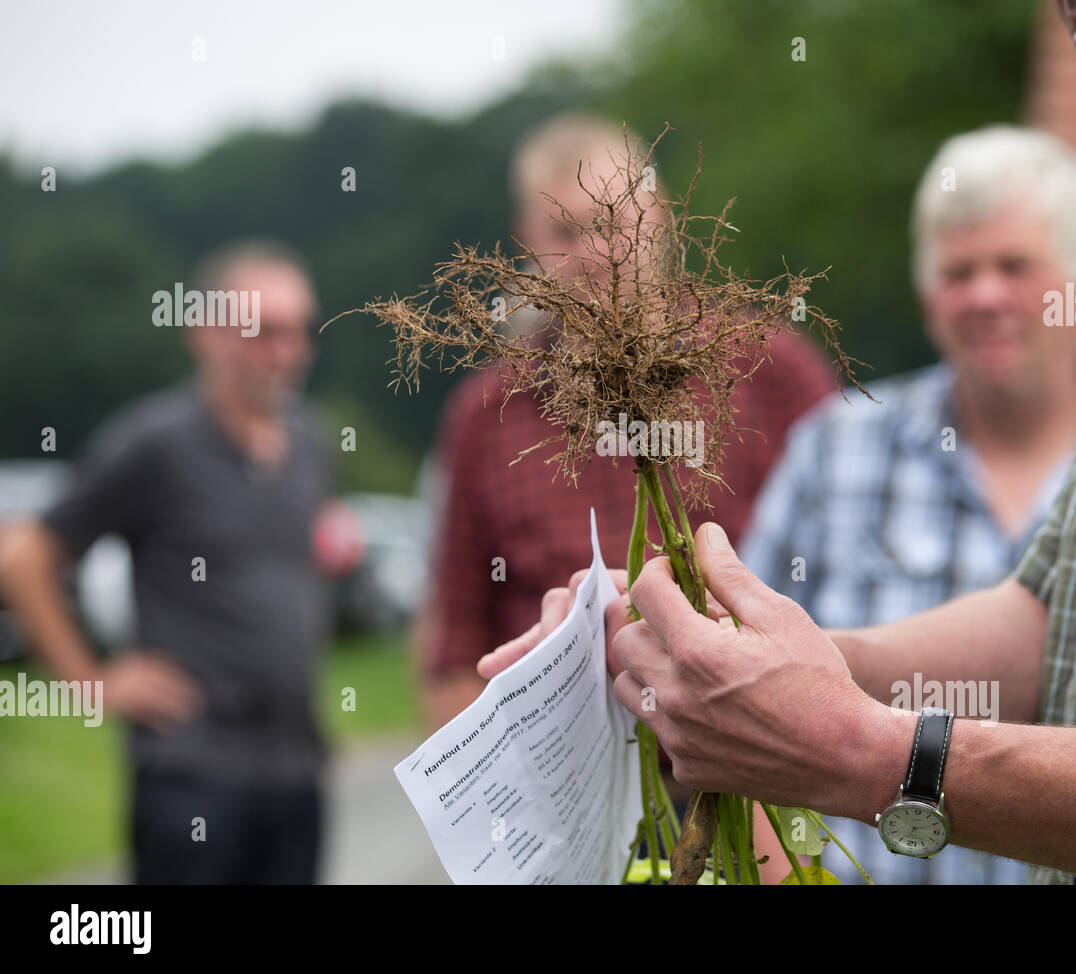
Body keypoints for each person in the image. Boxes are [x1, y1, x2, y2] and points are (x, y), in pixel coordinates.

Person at [482, 0, 1076, 884]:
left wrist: (876, 755)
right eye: (957, 271)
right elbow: (1062, 616)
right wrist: (736, 675)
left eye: (1017, 267)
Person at [739, 125, 1076, 884]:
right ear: (926, 295)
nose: (983, 295)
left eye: (1015, 266)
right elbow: (745, 695)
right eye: (958, 271)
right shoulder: (835, 448)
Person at [415, 112, 838, 731]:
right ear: (525, 240)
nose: (593, 255)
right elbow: (457, 642)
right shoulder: (486, 414)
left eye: (613, 224)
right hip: (570, 775)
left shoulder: (768, 368)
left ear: (660, 216)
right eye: (563, 230)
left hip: (759, 758)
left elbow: (849, 578)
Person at [0, 240, 337, 883]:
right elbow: (24, 558)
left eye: (301, 332)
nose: (288, 353)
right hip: (193, 779)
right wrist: (90, 683)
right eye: (265, 332)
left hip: (296, 773)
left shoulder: (311, 443)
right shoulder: (155, 443)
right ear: (207, 333)